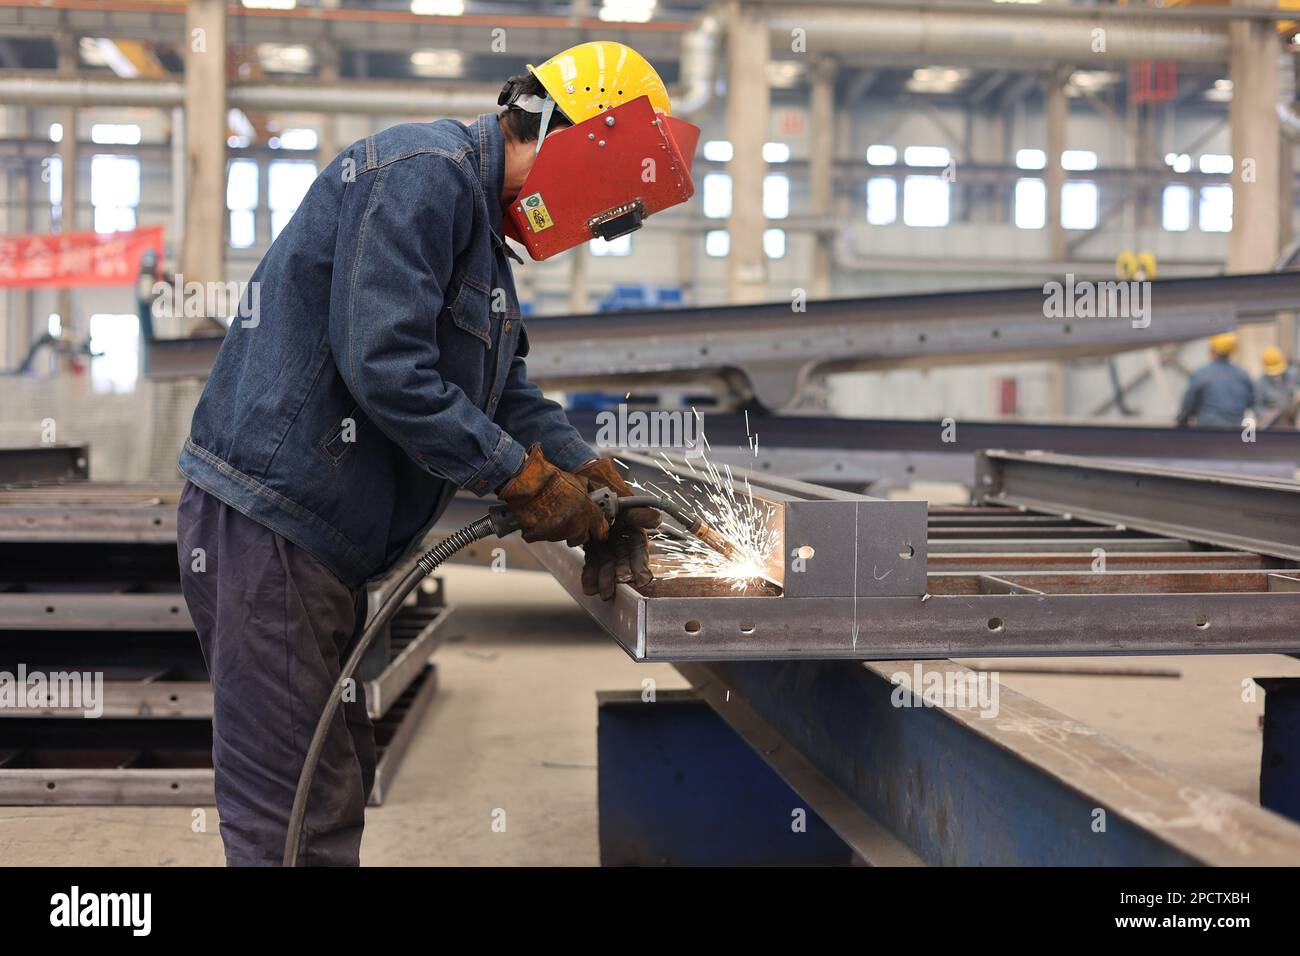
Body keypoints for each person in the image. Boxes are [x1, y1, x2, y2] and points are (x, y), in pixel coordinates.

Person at [174, 41, 677, 866]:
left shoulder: (481, 244)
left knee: (327, 777)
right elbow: (385, 364)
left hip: (313, 543)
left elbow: (504, 395)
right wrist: (518, 477)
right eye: (611, 193)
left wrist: (587, 475)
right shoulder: (422, 174)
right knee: (290, 807)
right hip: (268, 526)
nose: (594, 225)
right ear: (583, 138)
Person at [1176, 332, 1255, 428]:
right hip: (1236, 434)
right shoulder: (1243, 375)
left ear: (1212, 350)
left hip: (1209, 434)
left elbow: (1188, 406)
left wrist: (1181, 422)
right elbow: (1251, 402)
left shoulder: (1201, 374)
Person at [1255, 346, 1298, 428]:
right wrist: (1267, 414)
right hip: (1271, 427)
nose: (1276, 376)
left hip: (1289, 425)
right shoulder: (1261, 384)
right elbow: (1257, 407)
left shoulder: (1292, 375)